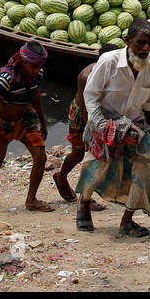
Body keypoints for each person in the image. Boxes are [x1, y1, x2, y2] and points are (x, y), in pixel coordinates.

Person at [75, 20, 150, 237]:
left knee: (147, 168)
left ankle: (127, 221)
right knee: (97, 167)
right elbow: (90, 96)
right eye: (141, 43)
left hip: (135, 123)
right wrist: (100, 126)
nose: (145, 49)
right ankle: (83, 204)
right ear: (127, 41)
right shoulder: (109, 61)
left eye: (149, 43)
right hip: (105, 120)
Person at [0, 41, 53, 212]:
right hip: (3, 123)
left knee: (40, 158)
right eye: (33, 66)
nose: (36, 70)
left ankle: (31, 200)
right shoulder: (6, 79)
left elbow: (36, 96)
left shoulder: (37, 74)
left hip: (26, 120)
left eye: (39, 66)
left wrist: (43, 121)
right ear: (23, 62)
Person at [53, 59, 110, 206]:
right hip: (83, 114)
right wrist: (91, 129)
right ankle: (64, 179)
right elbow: (86, 106)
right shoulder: (87, 76)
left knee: (95, 156)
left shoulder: (114, 71)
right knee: (81, 154)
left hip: (100, 113)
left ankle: (84, 194)